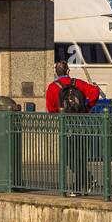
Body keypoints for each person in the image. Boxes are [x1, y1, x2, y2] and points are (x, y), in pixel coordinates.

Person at [45, 61, 101, 196]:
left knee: (70, 157)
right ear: (68, 72)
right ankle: (85, 182)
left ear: (56, 73)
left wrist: (60, 115)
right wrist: (87, 108)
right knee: (80, 156)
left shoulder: (53, 87)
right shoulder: (78, 83)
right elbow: (95, 92)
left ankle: (81, 185)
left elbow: (51, 108)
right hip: (81, 123)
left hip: (66, 125)